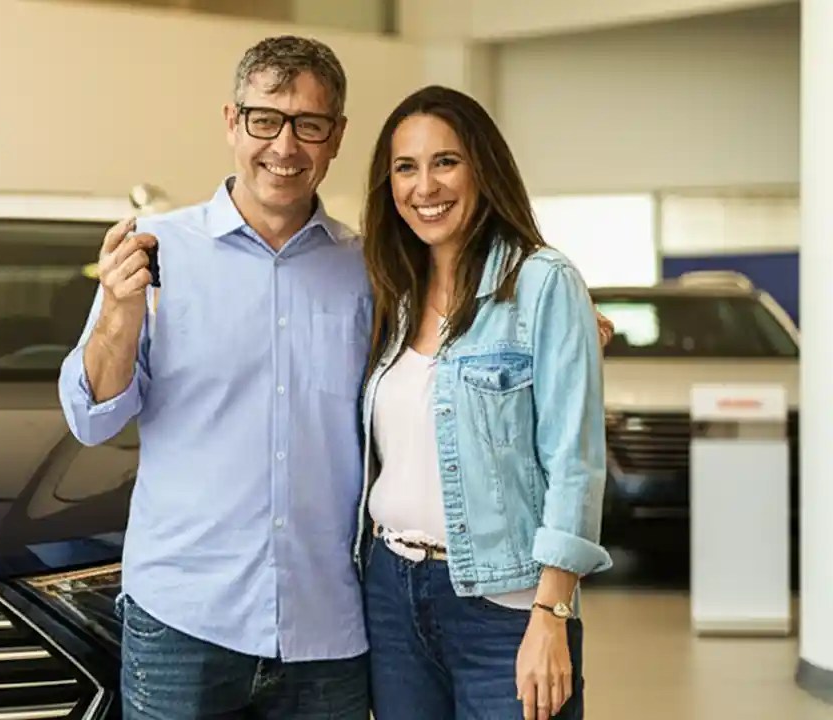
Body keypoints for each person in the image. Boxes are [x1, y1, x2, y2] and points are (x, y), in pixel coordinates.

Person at [58, 35, 373, 719]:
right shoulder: (156, 252)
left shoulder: (367, 270)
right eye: (265, 119)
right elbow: (93, 418)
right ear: (232, 122)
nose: (285, 147)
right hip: (183, 620)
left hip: (328, 628)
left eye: (309, 124)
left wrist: (547, 316)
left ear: (337, 136)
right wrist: (117, 312)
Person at [354, 84, 612, 720]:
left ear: (483, 168)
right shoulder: (392, 293)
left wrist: (551, 613)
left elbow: (574, 463)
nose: (425, 187)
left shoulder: (543, 283)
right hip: (390, 592)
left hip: (507, 605)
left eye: (446, 161)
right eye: (405, 168)